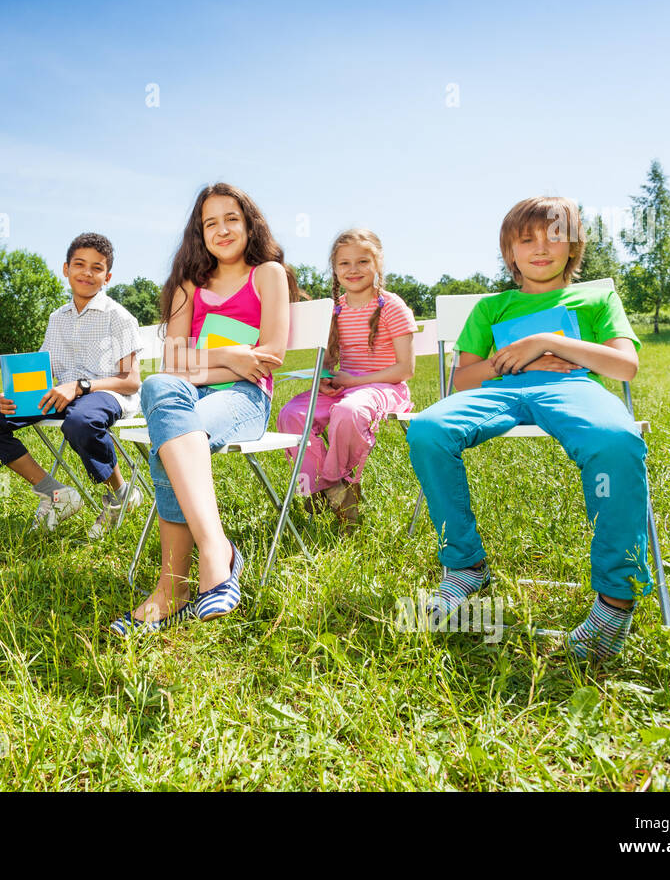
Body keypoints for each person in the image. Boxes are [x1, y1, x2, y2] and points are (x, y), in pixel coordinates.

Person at [406, 196, 650, 661]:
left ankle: (616, 600)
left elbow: (625, 367)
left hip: (574, 390)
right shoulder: (491, 307)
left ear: (573, 247)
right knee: (428, 429)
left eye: (555, 236)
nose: (541, 247)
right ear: (509, 253)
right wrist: (517, 362)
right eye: (527, 239)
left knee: (616, 440)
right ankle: (465, 564)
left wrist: (551, 345)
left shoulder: (597, 298)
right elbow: (463, 378)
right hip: (499, 392)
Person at [110, 182, 298, 635]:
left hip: (245, 398)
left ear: (249, 223)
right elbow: (170, 362)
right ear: (199, 233)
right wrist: (231, 357)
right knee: (159, 386)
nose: (222, 229)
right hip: (193, 392)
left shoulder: (267, 274)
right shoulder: (187, 284)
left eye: (231, 218)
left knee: (167, 443)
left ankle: (173, 587)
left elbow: (269, 354)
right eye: (209, 222)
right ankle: (216, 552)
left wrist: (210, 364)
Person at [0, 233, 143, 535]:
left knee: (81, 420)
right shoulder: (57, 317)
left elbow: (131, 381)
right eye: (79, 264)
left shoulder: (119, 317)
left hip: (106, 395)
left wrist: (80, 387)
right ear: (66, 269)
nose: (87, 273)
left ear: (108, 277)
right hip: (63, 395)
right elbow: (43, 370)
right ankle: (55, 493)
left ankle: (120, 494)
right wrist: (14, 395)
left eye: (97, 268)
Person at [276, 229, 416, 526]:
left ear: (378, 264)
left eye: (363, 261)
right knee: (291, 414)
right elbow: (329, 361)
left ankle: (340, 484)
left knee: (349, 411)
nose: (353, 270)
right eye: (344, 263)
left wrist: (354, 382)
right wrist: (326, 378)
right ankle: (317, 486)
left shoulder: (392, 306)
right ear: (335, 269)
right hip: (345, 387)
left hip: (384, 386)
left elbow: (406, 369)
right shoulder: (334, 310)